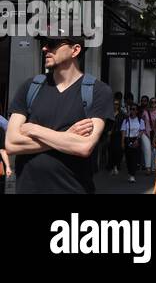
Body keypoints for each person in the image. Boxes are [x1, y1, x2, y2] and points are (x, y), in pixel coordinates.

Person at [4, 34, 115, 194]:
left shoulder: (98, 91)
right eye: (44, 43)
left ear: (75, 50)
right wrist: (66, 136)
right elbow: (12, 143)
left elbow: (84, 147)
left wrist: (34, 130)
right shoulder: (30, 86)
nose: (45, 48)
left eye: (52, 43)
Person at [121, 103, 146, 183]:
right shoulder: (126, 120)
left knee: (134, 158)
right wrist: (122, 142)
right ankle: (130, 173)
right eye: (131, 109)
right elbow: (123, 131)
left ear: (137, 111)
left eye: (134, 109)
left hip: (136, 139)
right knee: (128, 158)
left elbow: (142, 130)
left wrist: (137, 140)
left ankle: (132, 175)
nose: (133, 111)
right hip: (128, 139)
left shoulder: (140, 120)